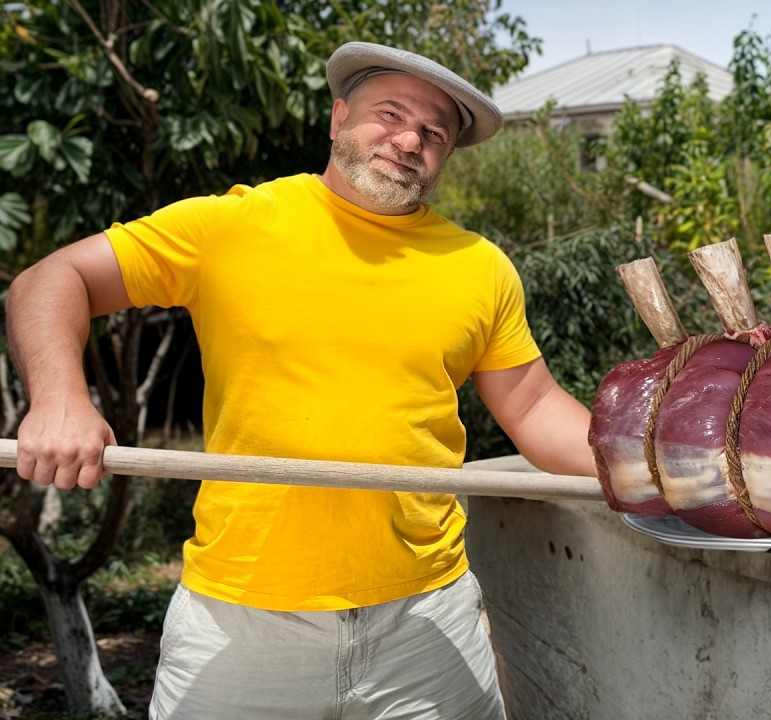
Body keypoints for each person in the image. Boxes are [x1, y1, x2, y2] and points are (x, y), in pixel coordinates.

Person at [5, 41, 597, 719]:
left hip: (426, 618)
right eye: (391, 113)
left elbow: (535, 405)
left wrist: (652, 470)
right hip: (242, 621)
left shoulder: (479, 266)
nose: (409, 139)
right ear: (338, 117)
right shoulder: (232, 225)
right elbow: (51, 278)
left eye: (434, 133)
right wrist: (59, 398)